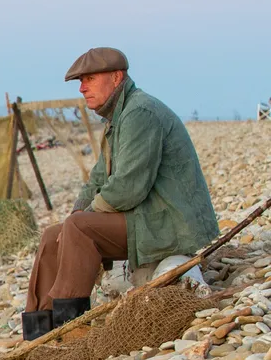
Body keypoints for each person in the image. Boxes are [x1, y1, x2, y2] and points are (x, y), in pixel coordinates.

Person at [21, 47, 220, 340]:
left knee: (79, 228)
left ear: (116, 77)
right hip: (145, 217)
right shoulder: (119, 117)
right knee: (55, 234)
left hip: (169, 223)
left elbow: (129, 188)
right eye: (80, 81)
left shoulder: (140, 113)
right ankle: (39, 334)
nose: (82, 87)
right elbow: (98, 179)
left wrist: (80, 222)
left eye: (89, 78)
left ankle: (70, 331)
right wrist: (76, 213)